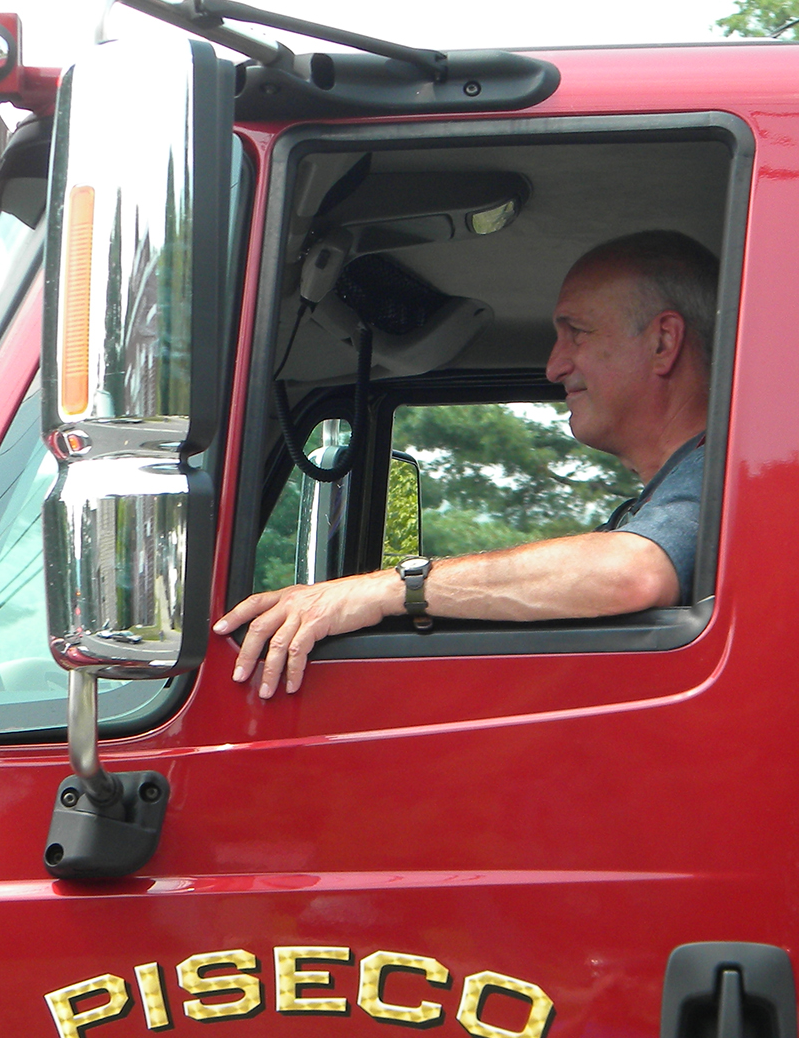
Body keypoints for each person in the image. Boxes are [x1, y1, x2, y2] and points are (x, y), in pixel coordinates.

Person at [216, 229, 717, 698]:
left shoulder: (723, 480)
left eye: (578, 334)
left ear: (663, 343)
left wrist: (388, 590)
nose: (554, 366)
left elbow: (631, 573)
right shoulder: (668, 496)